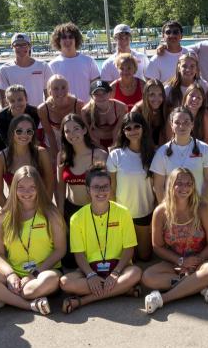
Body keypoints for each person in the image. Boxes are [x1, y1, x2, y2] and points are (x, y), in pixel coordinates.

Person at [0, 166, 66, 316]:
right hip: (14, 274)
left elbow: (60, 249)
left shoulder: (51, 213)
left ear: (39, 188)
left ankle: (2, 297)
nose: (27, 192)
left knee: (45, 282)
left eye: (32, 187)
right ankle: (29, 305)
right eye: (21, 187)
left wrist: (34, 273)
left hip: (43, 272)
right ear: (13, 188)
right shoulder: (2, 216)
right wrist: (10, 275)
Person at [59, 167, 143, 314]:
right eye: (96, 187)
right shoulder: (76, 218)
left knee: (136, 272)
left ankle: (83, 300)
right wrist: (90, 275)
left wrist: (115, 273)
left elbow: (129, 249)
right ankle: (122, 290)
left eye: (105, 186)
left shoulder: (123, 212)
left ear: (110, 188)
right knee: (65, 283)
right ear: (88, 190)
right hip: (90, 270)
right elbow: (79, 254)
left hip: (118, 268)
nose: (101, 191)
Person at [142, 168, 208, 314]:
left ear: (193, 186)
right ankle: (199, 286)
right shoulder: (160, 212)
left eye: (189, 184)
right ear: (171, 185)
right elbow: (157, 246)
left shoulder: (203, 208)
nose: (184, 188)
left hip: (201, 262)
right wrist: (181, 261)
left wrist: (195, 262)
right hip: (175, 263)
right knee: (148, 277)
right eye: (179, 183)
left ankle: (164, 298)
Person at [107, 111, 157, 260]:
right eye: (128, 128)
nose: (133, 131)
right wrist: (113, 213)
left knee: (145, 257)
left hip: (145, 211)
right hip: (122, 214)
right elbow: (111, 188)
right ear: (123, 132)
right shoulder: (115, 155)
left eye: (136, 126)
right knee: (129, 259)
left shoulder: (154, 153)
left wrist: (156, 211)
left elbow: (158, 187)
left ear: (143, 128)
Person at [55, 113, 109, 239]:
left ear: (84, 130)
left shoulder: (99, 155)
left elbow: (108, 188)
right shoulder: (62, 156)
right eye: (67, 131)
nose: (72, 134)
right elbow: (60, 189)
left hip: (95, 210)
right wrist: (61, 215)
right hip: (71, 211)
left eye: (76, 129)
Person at [150, 107, 208, 202]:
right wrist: (167, 208)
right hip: (172, 206)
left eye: (186, 122)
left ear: (192, 124)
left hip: (197, 205)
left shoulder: (205, 149)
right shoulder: (162, 152)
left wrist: (202, 205)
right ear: (171, 125)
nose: (182, 126)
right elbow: (158, 186)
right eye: (177, 122)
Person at [0, 113, 53, 210]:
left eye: (29, 131)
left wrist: (44, 208)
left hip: (40, 208)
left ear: (33, 134)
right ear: (12, 132)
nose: (24, 135)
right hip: (14, 209)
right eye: (19, 131)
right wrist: (10, 212)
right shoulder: (0, 158)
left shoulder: (41, 153)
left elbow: (50, 184)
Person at [46, 22, 100, 103]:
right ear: (58, 41)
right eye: (64, 37)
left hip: (86, 108)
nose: (67, 40)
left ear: (76, 39)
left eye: (71, 37)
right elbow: (50, 92)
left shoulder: (89, 61)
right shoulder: (52, 65)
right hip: (63, 109)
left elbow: (96, 87)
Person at [0, 32, 49, 107]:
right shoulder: (4, 70)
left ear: (30, 46)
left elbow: (49, 93)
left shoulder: (43, 66)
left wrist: (46, 111)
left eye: (24, 44)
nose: (20, 48)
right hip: (16, 112)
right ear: (12, 47)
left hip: (38, 112)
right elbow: (3, 98)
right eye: (17, 45)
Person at [38, 73, 83, 160]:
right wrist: (56, 156)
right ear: (49, 91)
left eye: (63, 87)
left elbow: (81, 130)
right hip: (52, 142)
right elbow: (50, 134)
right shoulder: (43, 109)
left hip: (74, 139)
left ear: (68, 88)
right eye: (55, 88)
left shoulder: (78, 104)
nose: (60, 92)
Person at [0, 84, 43, 154]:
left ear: (26, 99)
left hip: (28, 142)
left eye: (20, 99)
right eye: (12, 101)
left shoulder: (35, 112)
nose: (17, 104)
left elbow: (32, 135)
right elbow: (7, 140)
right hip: (8, 146)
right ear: (7, 102)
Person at [81, 79, 127, 149]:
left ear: (110, 93)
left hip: (117, 140)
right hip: (96, 143)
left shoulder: (121, 107)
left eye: (104, 93)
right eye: (96, 94)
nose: (101, 97)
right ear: (91, 96)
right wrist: (101, 149)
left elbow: (117, 131)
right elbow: (90, 134)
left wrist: (114, 147)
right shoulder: (85, 111)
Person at [131, 78, 169, 147]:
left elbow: (169, 137)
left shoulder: (167, 109)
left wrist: (162, 151)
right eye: (152, 94)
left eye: (160, 94)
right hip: (142, 147)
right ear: (145, 95)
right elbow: (133, 137)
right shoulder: (137, 110)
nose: (156, 99)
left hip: (163, 148)